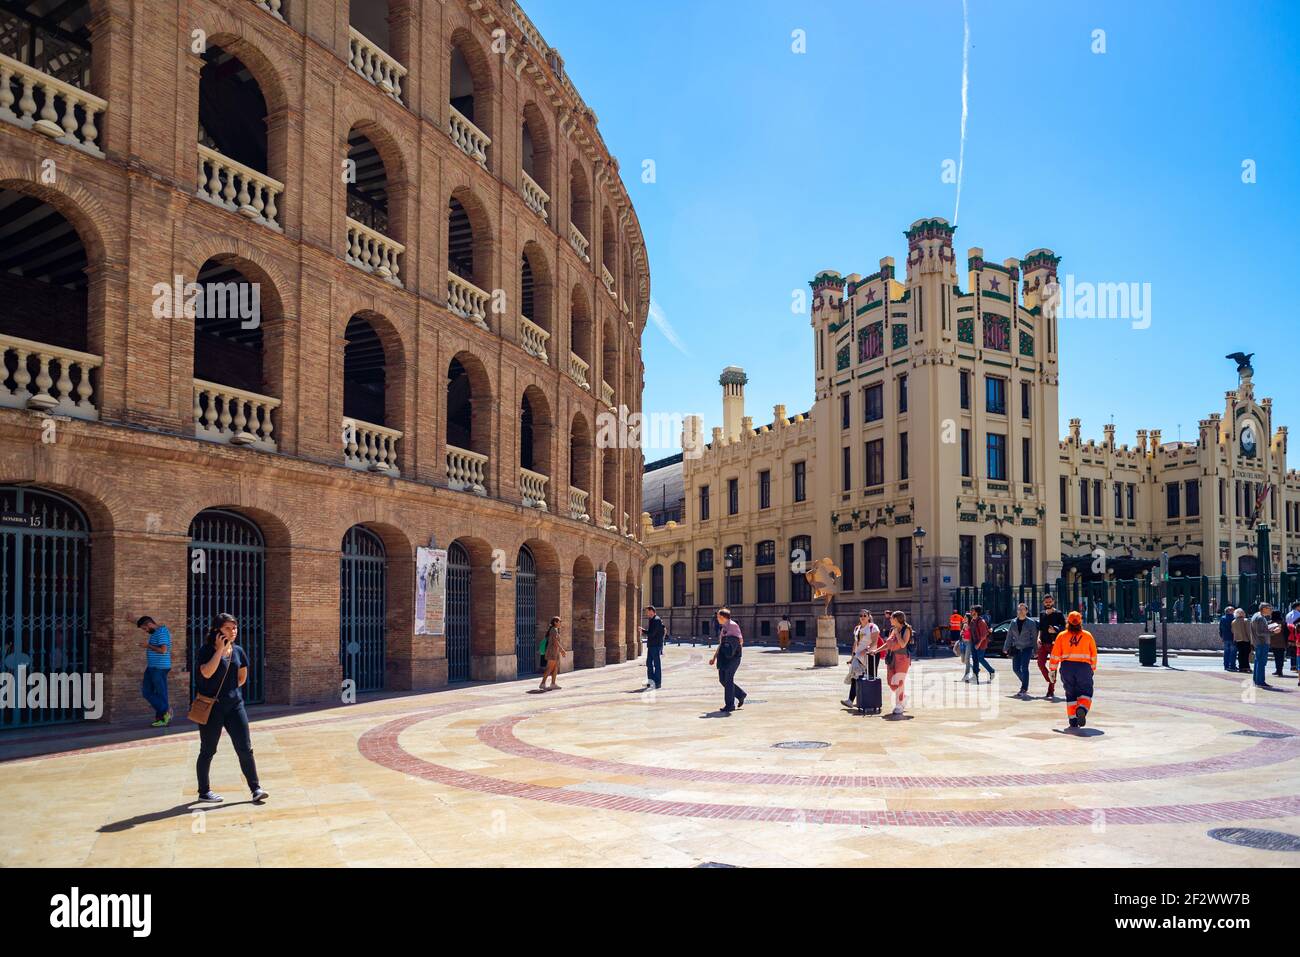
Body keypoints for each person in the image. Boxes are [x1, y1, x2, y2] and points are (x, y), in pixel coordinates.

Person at [194, 613, 267, 803]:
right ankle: (204, 791)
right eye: (227, 628)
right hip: (212, 707)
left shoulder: (239, 651)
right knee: (208, 750)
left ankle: (256, 788)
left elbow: (242, 678)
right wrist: (219, 650)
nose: (232, 631)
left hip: (235, 706)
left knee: (245, 748)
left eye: (234, 627)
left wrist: (232, 694)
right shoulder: (206, 650)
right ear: (217, 630)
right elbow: (207, 673)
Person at [1048, 611, 1098, 729]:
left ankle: (1073, 720)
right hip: (1083, 668)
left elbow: (1055, 654)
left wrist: (1052, 670)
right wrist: (1092, 668)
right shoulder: (1087, 635)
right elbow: (1094, 654)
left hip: (1067, 668)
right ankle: (1082, 709)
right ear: (1080, 622)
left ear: (1068, 622)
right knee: (1086, 692)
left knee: (1070, 694)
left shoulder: (1061, 636)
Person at [136, 615, 172, 728]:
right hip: (152, 667)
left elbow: (163, 650)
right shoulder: (156, 632)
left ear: (150, 625)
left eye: (145, 629)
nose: (145, 631)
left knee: (160, 693)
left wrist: (148, 646)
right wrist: (133, 619)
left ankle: (165, 713)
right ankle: (163, 714)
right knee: (148, 692)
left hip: (159, 668)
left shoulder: (161, 632)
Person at [708, 608, 746, 713]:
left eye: (718, 617)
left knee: (728, 680)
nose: (717, 619)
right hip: (724, 657)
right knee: (722, 679)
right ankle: (740, 694)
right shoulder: (724, 627)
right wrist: (714, 658)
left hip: (733, 657)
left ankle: (730, 705)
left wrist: (734, 652)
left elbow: (740, 640)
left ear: (723, 617)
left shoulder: (733, 625)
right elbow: (721, 644)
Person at [841, 610, 880, 708]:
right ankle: (851, 700)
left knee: (870, 677)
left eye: (864, 615)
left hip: (871, 656)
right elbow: (855, 644)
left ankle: (869, 701)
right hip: (858, 657)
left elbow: (875, 642)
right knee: (855, 677)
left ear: (868, 617)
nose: (862, 617)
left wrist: (866, 650)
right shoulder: (857, 628)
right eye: (860, 615)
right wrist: (852, 657)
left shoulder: (872, 627)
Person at [880, 611, 913, 716]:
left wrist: (897, 633)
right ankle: (904, 697)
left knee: (899, 681)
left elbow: (903, 644)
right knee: (891, 682)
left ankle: (899, 705)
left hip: (903, 658)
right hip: (892, 657)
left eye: (891, 618)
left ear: (897, 619)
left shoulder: (906, 629)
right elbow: (888, 644)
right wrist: (876, 651)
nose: (890, 619)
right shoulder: (892, 629)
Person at [1004, 603, 1037, 697]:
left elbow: (1034, 637)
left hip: (1027, 648)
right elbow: (1009, 636)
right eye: (1019, 609)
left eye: (1023, 609)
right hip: (1016, 648)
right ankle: (1025, 682)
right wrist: (1005, 648)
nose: (1020, 611)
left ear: (1026, 611)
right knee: (1015, 669)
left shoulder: (1031, 622)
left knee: (1024, 668)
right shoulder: (1013, 622)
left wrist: (1036, 651)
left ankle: (1024, 688)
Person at [1037, 595, 1065, 699]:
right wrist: (1038, 638)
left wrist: (1056, 629)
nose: (1048, 603)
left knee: (1053, 667)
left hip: (1055, 644)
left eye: (1049, 601)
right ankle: (1051, 680)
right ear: (1043, 603)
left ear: (1053, 602)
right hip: (1043, 643)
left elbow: (1064, 626)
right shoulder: (1042, 614)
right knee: (1040, 664)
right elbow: (1040, 628)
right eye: (1046, 602)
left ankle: (1050, 690)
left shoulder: (1058, 613)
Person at [1250, 603, 1278, 688]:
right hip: (1262, 642)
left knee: (1258, 661)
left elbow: (1260, 630)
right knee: (1261, 662)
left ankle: (1257, 680)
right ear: (1264, 609)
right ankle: (1260, 681)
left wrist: (1269, 626)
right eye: (1269, 608)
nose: (1271, 610)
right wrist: (1273, 632)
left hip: (1258, 642)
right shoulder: (1260, 618)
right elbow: (1260, 632)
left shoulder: (1257, 615)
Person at [967, 605, 994, 684]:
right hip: (974, 643)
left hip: (981, 643)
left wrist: (978, 644)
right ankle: (975, 678)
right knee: (975, 660)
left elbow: (984, 635)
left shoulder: (981, 622)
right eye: (971, 610)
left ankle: (991, 671)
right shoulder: (972, 621)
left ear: (977, 612)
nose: (971, 612)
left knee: (980, 658)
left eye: (972, 610)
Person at [539, 615, 566, 691]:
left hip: (555, 651)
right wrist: (562, 650)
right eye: (559, 621)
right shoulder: (553, 630)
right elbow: (555, 641)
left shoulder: (555, 630)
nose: (560, 623)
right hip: (551, 651)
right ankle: (542, 683)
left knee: (555, 667)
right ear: (555, 622)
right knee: (550, 667)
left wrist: (559, 650)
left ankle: (553, 683)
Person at [642, 605, 664, 689]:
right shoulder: (652, 620)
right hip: (651, 645)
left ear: (651, 611)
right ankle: (651, 681)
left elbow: (652, 634)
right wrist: (643, 630)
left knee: (656, 664)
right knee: (649, 663)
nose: (646, 613)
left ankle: (657, 682)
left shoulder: (656, 620)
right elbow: (651, 632)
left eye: (647, 611)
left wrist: (643, 631)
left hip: (655, 645)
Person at [1231, 607, 1252, 674]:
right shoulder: (1246, 620)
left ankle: (1241, 667)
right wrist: (1251, 640)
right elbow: (1249, 631)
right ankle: (1246, 667)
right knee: (1246, 654)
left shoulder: (1233, 621)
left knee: (1240, 654)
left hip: (1238, 640)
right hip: (1246, 640)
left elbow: (1232, 631)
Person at [1269, 607, 1288, 677]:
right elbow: (1286, 633)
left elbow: (1269, 633)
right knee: (1281, 657)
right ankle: (1280, 670)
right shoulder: (1283, 623)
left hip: (1273, 642)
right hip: (1282, 642)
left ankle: (1278, 670)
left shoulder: (1270, 623)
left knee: (1276, 657)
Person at [1218, 605, 1237, 672]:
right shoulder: (1234, 618)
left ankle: (1226, 665)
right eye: (1233, 610)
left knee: (1226, 652)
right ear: (1230, 611)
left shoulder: (1222, 618)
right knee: (1233, 652)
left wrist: (1222, 636)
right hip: (1233, 637)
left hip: (1225, 637)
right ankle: (1232, 665)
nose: (1234, 611)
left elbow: (1220, 628)